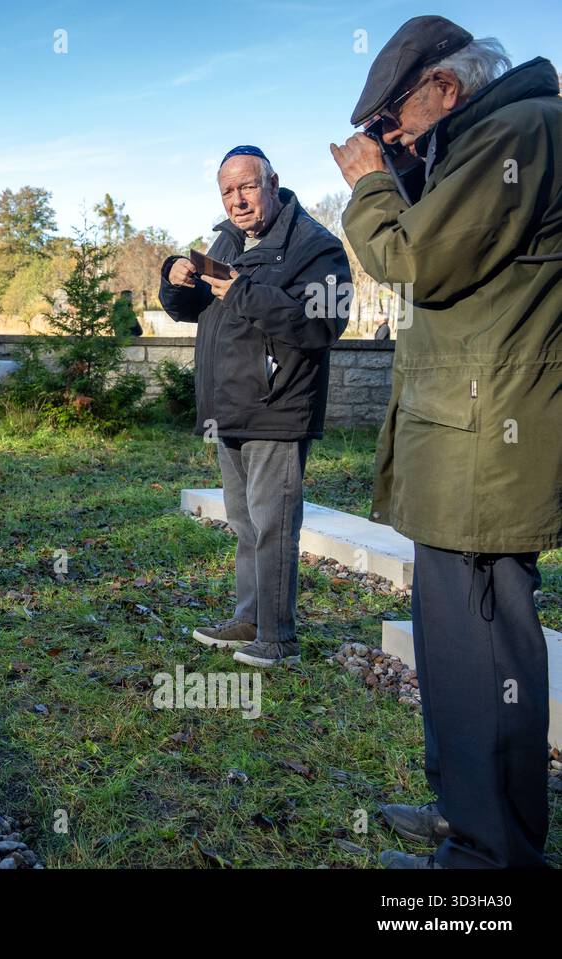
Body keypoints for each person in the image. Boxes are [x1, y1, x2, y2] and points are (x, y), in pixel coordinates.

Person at [332, 15, 561, 869]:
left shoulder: (516, 132)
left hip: (483, 447)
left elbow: (415, 260)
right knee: (470, 645)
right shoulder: (506, 133)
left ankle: (488, 859)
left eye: (391, 122)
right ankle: (473, 813)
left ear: (445, 88)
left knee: (479, 654)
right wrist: (401, 165)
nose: (383, 140)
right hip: (475, 434)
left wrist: (369, 183)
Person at [159, 146, 350, 668]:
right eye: (227, 191)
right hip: (229, 409)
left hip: (277, 408)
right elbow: (190, 310)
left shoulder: (315, 245)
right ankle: (250, 619)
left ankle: (279, 639)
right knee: (245, 525)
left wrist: (244, 292)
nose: (237, 201)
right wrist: (173, 280)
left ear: (272, 183)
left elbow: (322, 324)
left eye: (246, 187)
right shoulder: (225, 238)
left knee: (272, 527)